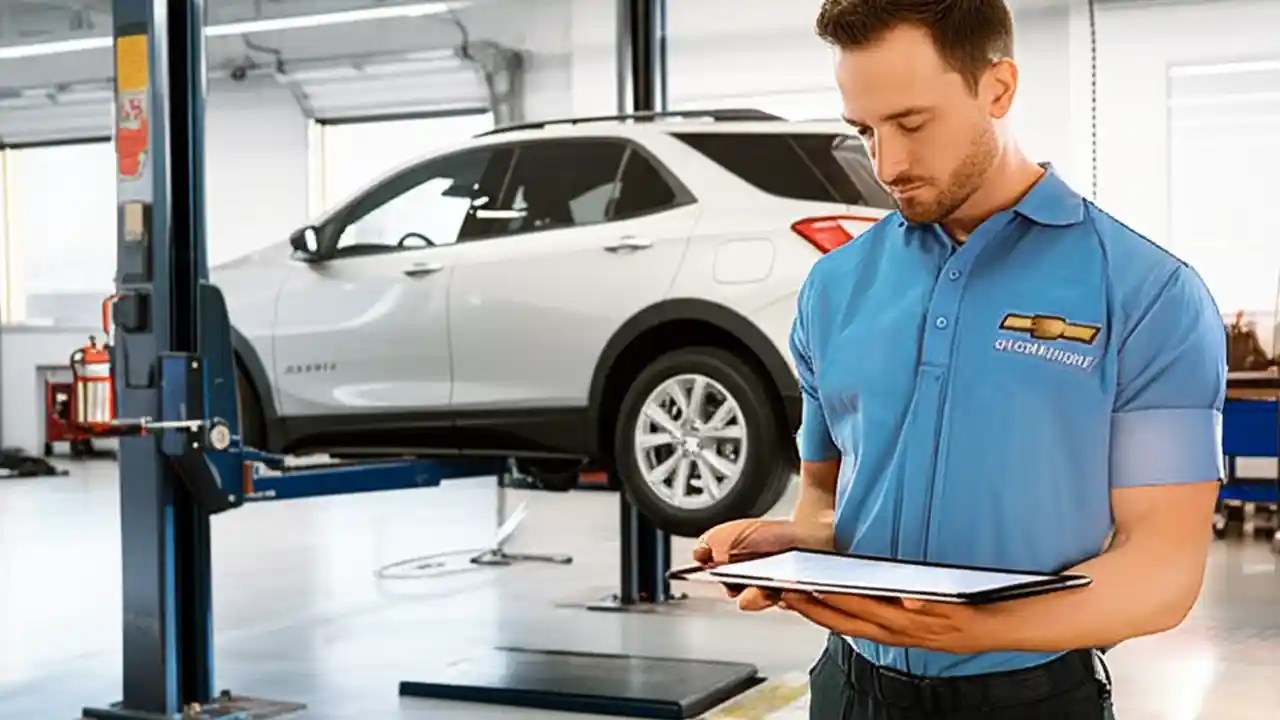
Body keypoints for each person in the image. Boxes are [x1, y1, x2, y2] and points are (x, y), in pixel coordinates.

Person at [694, 1, 1226, 718]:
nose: (888, 165)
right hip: (850, 693)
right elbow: (824, 502)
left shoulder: (1147, 293)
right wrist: (791, 548)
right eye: (865, 131)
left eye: (912, 124)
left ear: (997, 89)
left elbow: (1162, 567)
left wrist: (977, 630)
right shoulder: (835, 286)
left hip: (1029, 700)